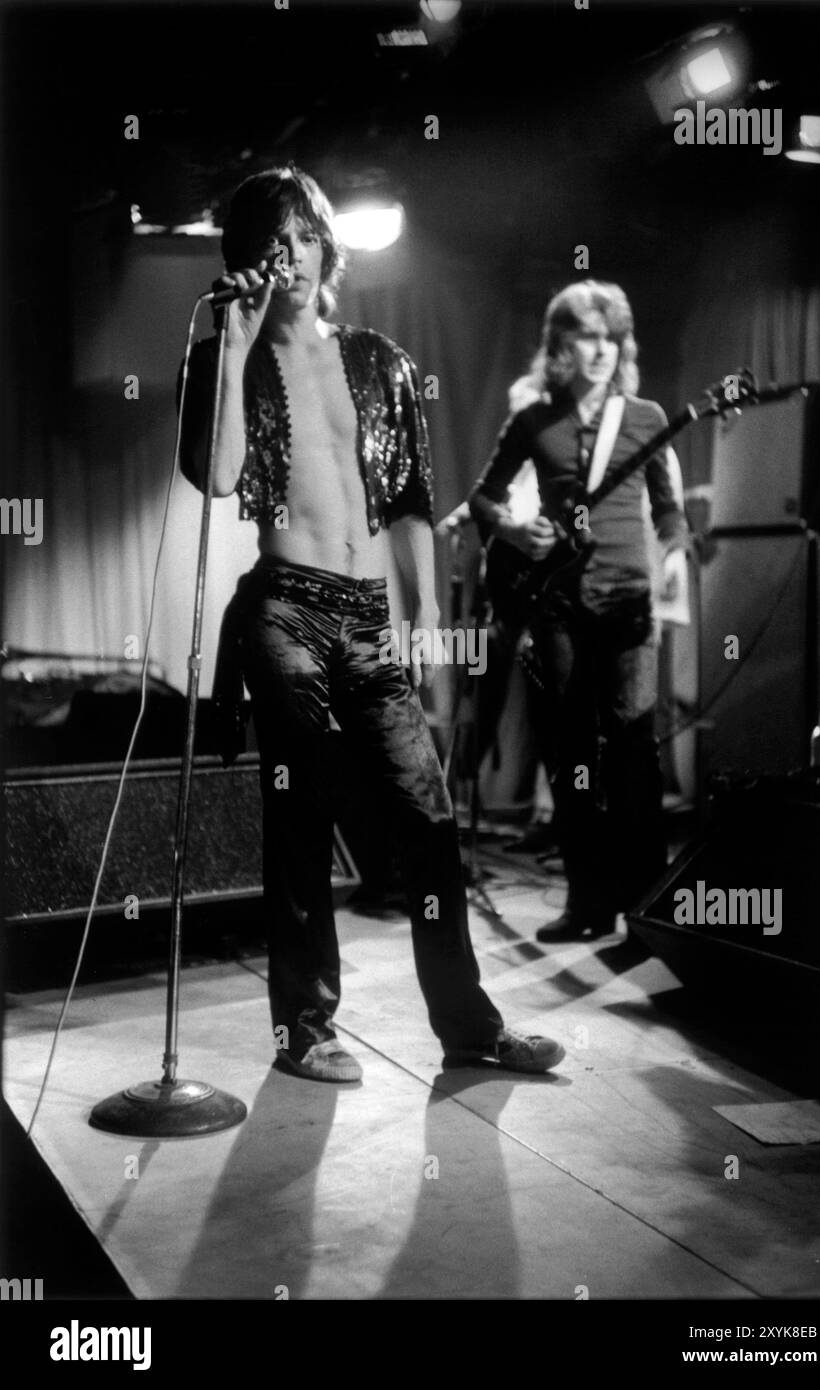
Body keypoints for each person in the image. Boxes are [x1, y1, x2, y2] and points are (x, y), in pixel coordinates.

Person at [178, 164, 564, 1080]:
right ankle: (304, 1030)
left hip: (365, 614)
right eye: (273, 243)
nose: (293, 256)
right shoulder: (222, 356)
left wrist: (426, 611)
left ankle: (469, 1028)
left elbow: (412, 499)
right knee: (301, 815)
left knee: (427, 821)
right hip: (283, 611)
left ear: (325, 246)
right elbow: (221, 475)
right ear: (249, 260)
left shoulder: (379, 359)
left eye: (305, 237)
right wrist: (230, 345)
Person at [469, 280, 689, 942]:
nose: (598, 350)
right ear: (560, 344)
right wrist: (510, 531)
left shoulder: (646, 416)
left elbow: (668, 508)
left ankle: (648, 909)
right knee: (569, 755)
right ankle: (587, 905)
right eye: (585, 336)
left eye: (609, 337)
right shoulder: (533, 420)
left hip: (627, 601)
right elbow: (483, 499)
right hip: (558, 605)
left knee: (633, 752)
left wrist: (676, 547)